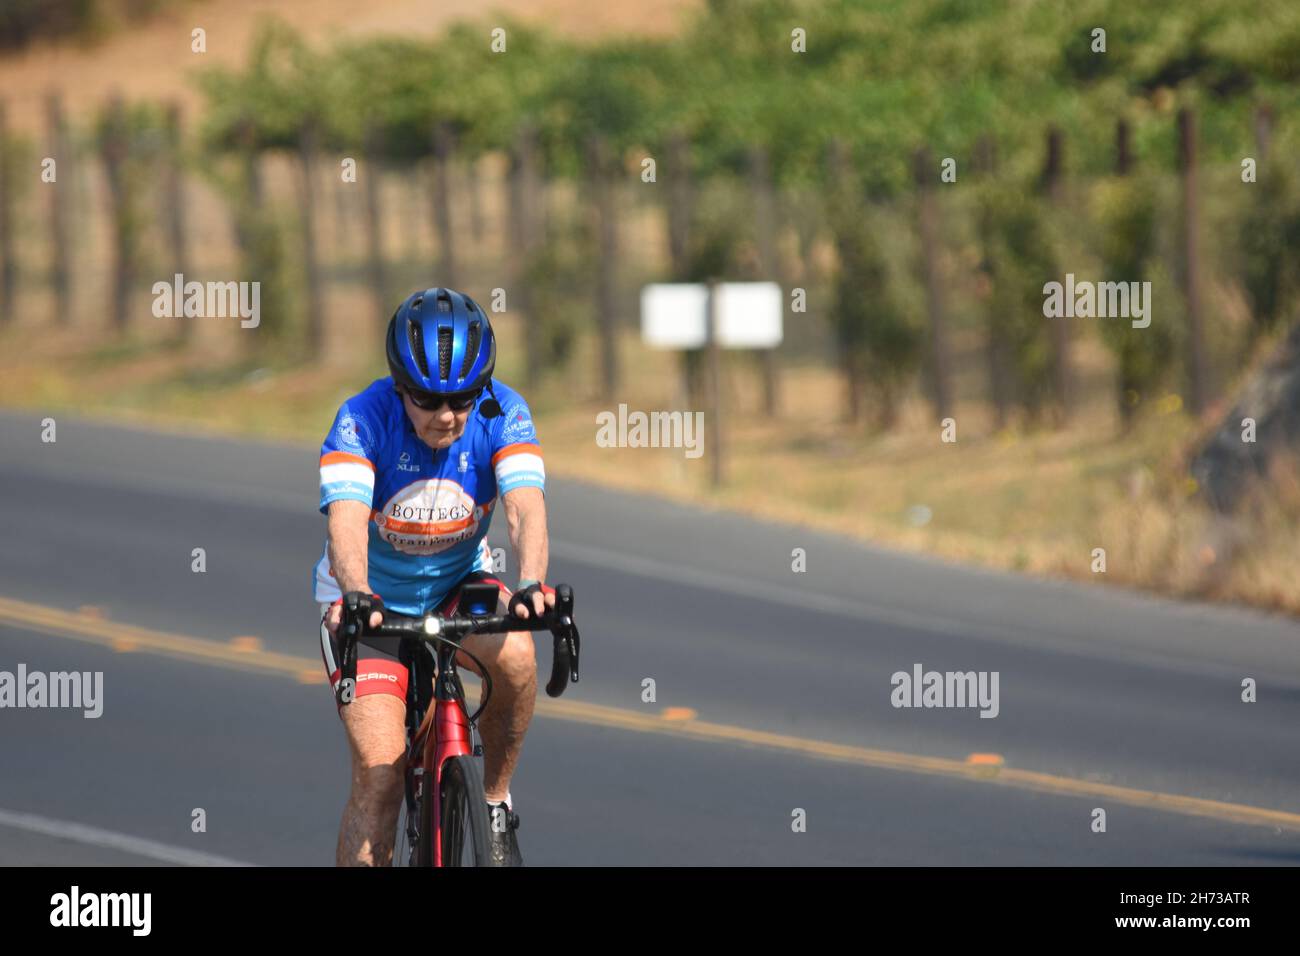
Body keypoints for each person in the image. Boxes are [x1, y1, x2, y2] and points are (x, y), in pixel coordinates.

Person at [314, 287, 553, 866]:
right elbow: (345, 524)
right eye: (427, 398)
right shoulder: (361, 419)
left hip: (456, 586)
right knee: (381, 780)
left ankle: (493, 802)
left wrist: (531, 585)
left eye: (463, 398)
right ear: (400, 387)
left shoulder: (503, 410)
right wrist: (356, 593)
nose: (447, 415)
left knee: (518, 656)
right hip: (371, 606)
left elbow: (524, 507)